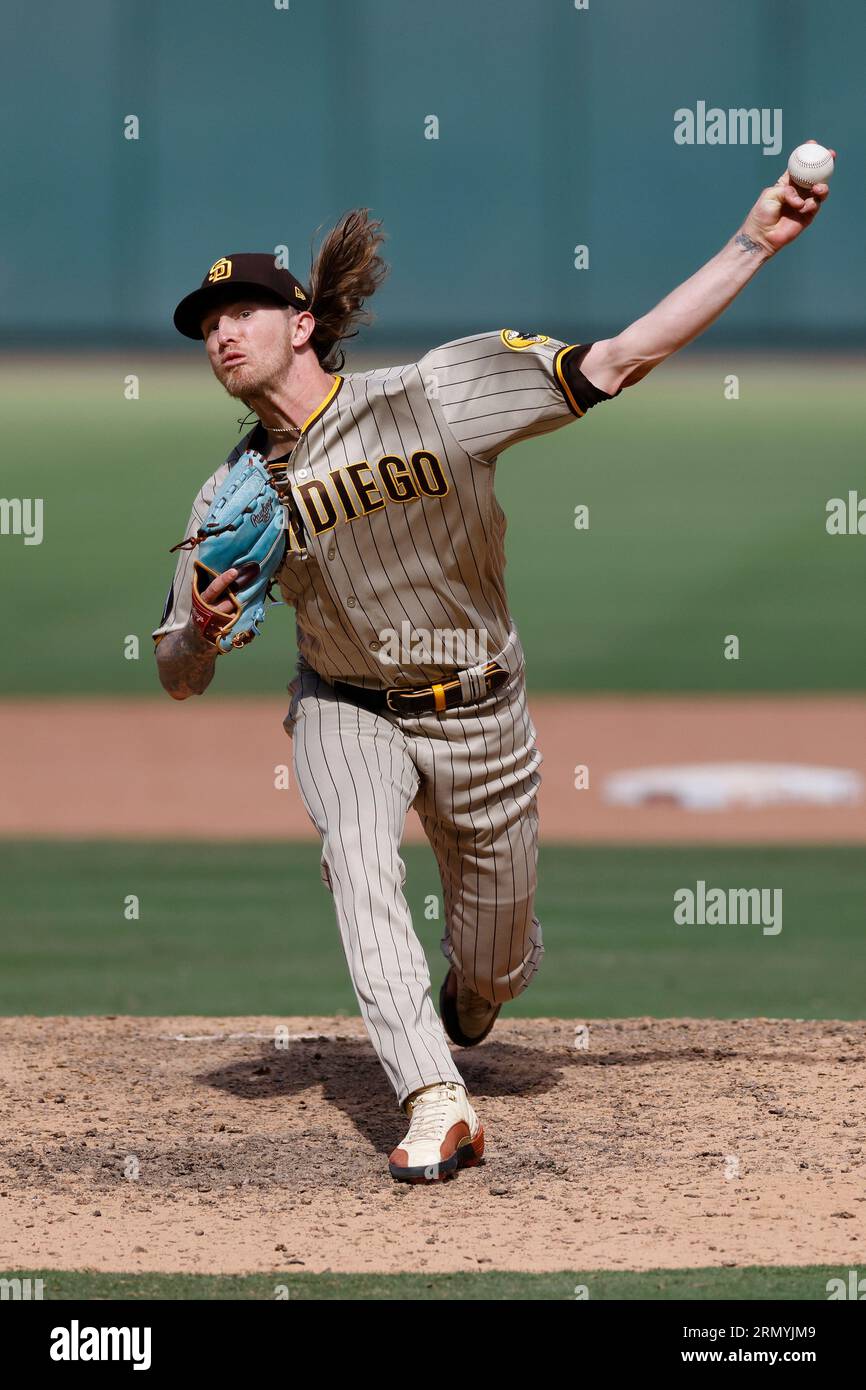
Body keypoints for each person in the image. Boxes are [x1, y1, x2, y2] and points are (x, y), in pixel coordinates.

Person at [154, 162, 832, 1183]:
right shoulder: (229, 494)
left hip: (482, 715)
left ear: (301, 324)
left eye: (242, 309)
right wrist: (198, 632)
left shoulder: (434, 393)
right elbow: (174, 670)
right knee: (355, 853)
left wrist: (752, 243)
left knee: (490, 967)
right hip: (345, 708)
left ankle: (476, 992)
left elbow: (618, 358)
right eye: (208, 321)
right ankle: (435, 1099)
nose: (221, 331)